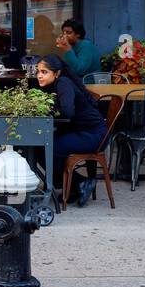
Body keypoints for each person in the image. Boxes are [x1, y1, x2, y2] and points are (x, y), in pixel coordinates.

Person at [35, 54, 108, 207]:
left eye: (44, 72)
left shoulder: (63, 83)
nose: (39, 76)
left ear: (57, 73)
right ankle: (74, 185)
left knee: (47, 149)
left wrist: (46, 112)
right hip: (81, 132)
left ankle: (80, 183)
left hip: (92, 135)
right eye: (38, 71)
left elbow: (68, 112)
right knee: (39, 147)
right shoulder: (56, 84)